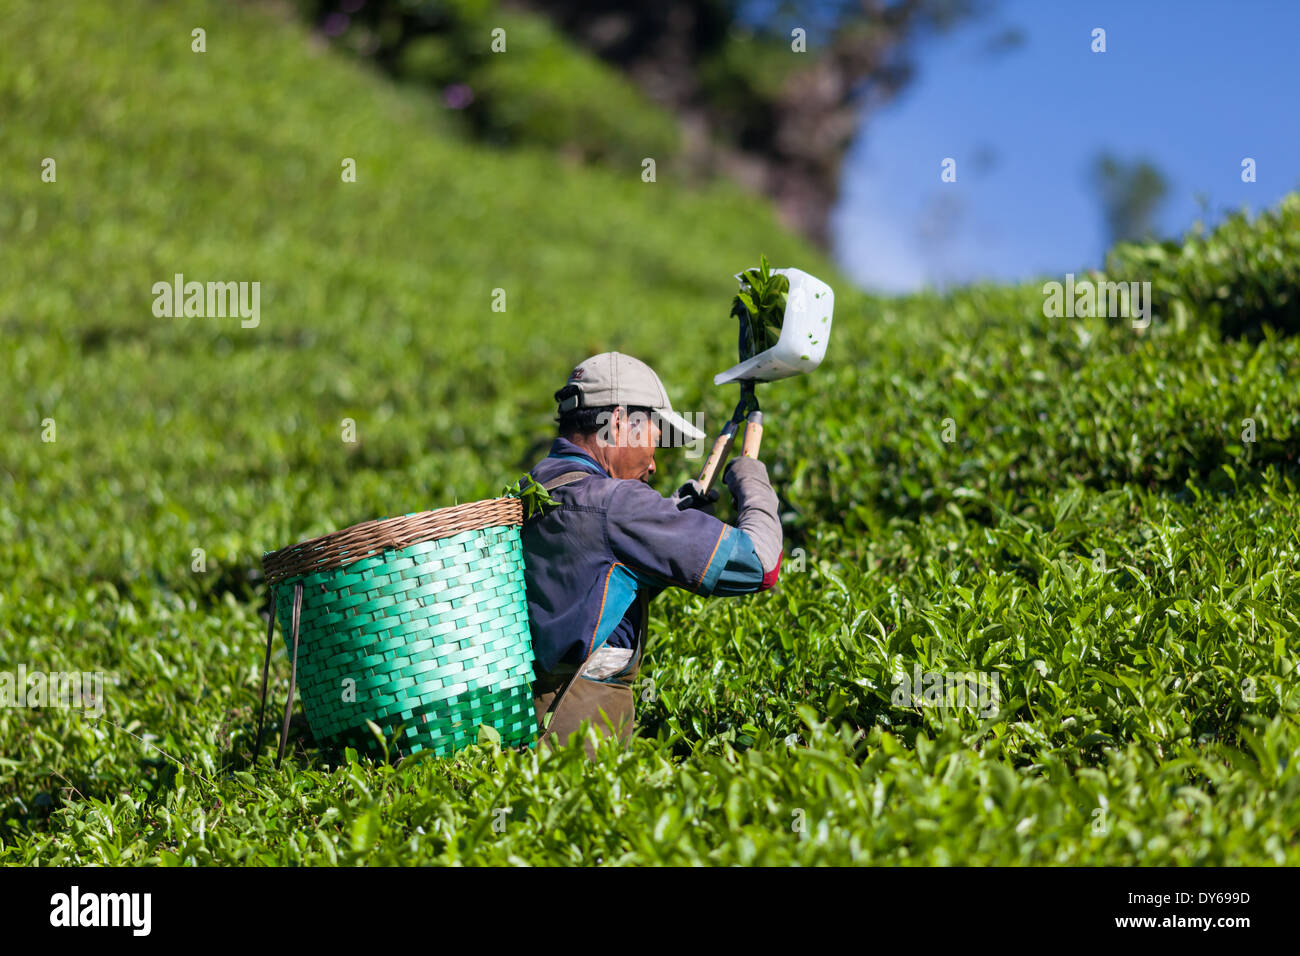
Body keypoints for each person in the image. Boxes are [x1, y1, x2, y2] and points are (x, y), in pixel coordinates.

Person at [521, 351, 783, 760]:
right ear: (619, 423)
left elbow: (592, 584)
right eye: (652, 440)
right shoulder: (619, 505)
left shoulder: (536, 486)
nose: (654, 464)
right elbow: (760, 566)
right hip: (580, 743)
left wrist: (671, 515)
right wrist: (753, 482)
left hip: (528, 728)